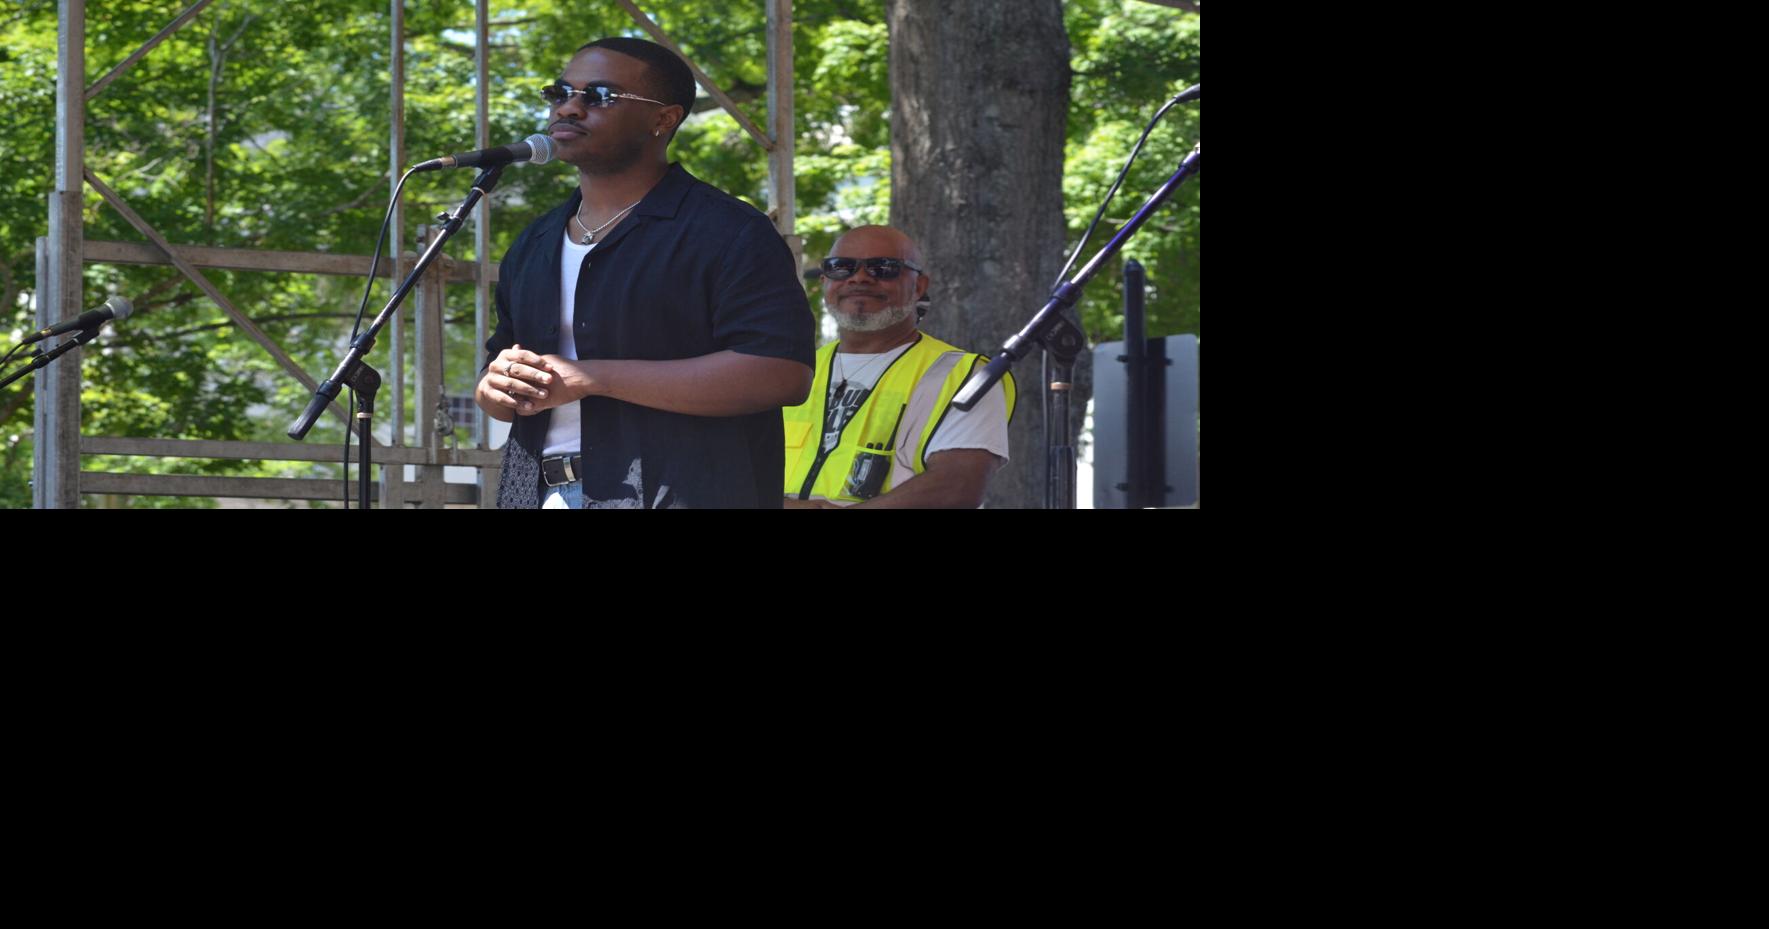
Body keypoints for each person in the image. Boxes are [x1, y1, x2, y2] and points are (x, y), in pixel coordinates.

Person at [475, 37, 814, 508]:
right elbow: (499, 396)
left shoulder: (729, 231)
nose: (570, 108)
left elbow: (780, 373)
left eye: (598, 96)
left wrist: (592, 376)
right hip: (538, 493)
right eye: (561, 93)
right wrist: (495, 386)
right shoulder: (535, 242)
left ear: (663, 118)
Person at [783, 225, 1014, 508]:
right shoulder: (795, 370)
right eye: (841, 267)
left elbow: (957, 487)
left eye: (883, 268)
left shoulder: (966, 376)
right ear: (824, 281)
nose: (859, 278)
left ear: (918, 286)